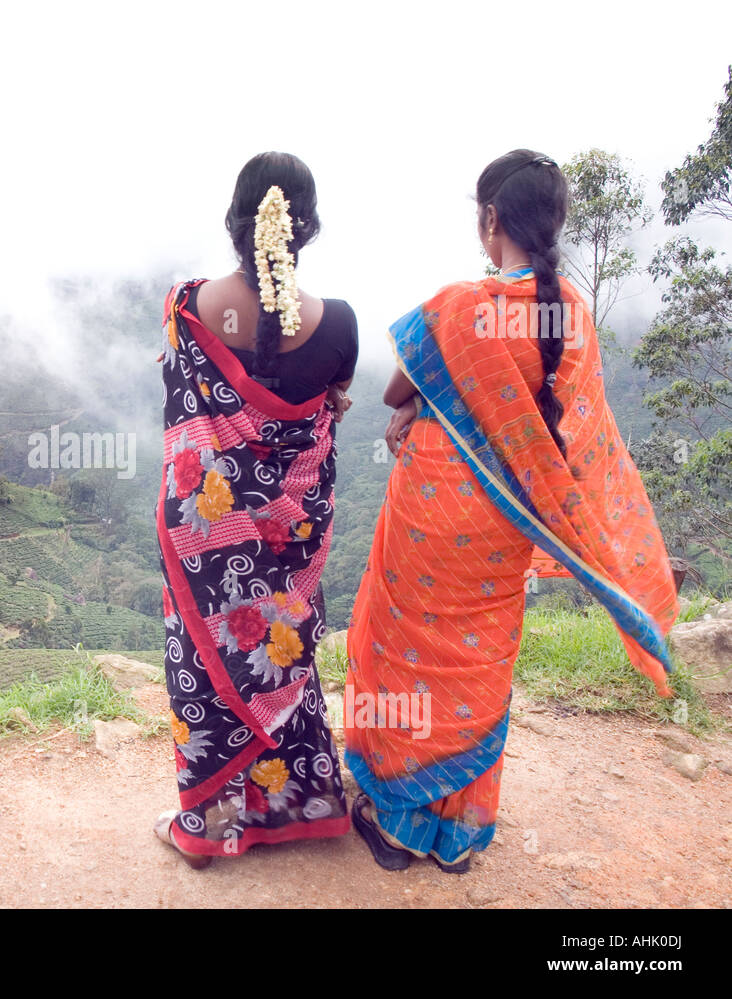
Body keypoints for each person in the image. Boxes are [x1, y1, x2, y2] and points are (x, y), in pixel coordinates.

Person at [345, 149, 679, 875]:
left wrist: (418, 407)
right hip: (502, 532)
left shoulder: (462, 306)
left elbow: (396, 391)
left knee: (406, 656)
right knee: (477, 663)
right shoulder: (574, 317)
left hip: (432, 511)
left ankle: (400, 823)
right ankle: (457, 832)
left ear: (491, 219)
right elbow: (574, 434)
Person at [153, 151, 358, 867]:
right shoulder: (340, 326)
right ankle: (301, 807)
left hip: (211, 537)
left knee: (209, 663)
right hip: (292, 541)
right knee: (284, 654)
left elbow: (190, 415)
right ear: (310, 229)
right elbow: (329, 409)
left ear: (236, 223)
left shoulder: (190, 307)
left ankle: (207, 826)